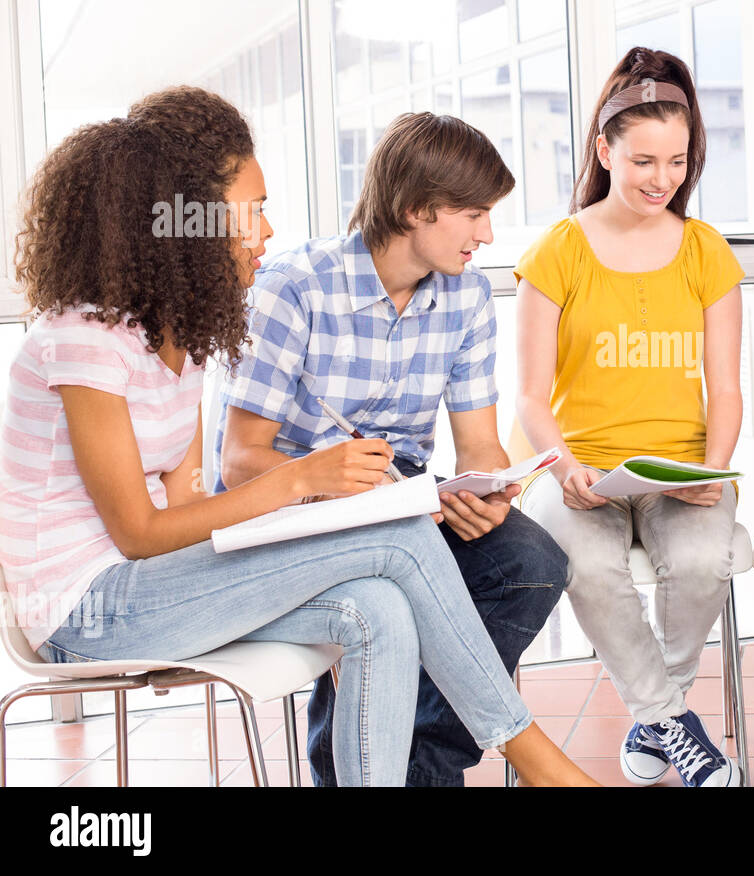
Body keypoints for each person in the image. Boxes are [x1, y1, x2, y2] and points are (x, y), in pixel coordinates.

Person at [0, 86, 594, 787]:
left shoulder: (183, 341)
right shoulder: (82, 339)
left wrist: (304, 529)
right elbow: (138, 532)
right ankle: (534, 757)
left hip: (155, 585)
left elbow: (186, 509)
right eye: (253, 211)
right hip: (84, 613)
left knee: (379, 607)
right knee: (396, 537)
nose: (268, 230)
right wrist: (305, 483)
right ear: (185, 223)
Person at [215, 111, 571, 787]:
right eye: (472, 213)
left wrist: (488, 491)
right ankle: (363, 769)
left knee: (531, 561)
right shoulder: (294, 287)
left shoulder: (465, 299)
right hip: (295, 500)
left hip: (406, 499)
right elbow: (239, 461)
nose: (487, 233)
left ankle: (418, 772)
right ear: (415, 209)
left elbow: (478, 446)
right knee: (385, 590)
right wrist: (348, 487)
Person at [514, 47, 745, 787]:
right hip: (578, 466)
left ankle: (656, 720)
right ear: (603, 148)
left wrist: (712, 468)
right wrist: (564, 467)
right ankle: (673, 722)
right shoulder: (557, 251)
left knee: (709, 561)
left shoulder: (706, 252)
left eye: (677, 161)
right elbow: (528, 398)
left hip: (680, 465)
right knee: (582, 561)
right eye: (644, 160)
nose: (662, 179)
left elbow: (727, 389)